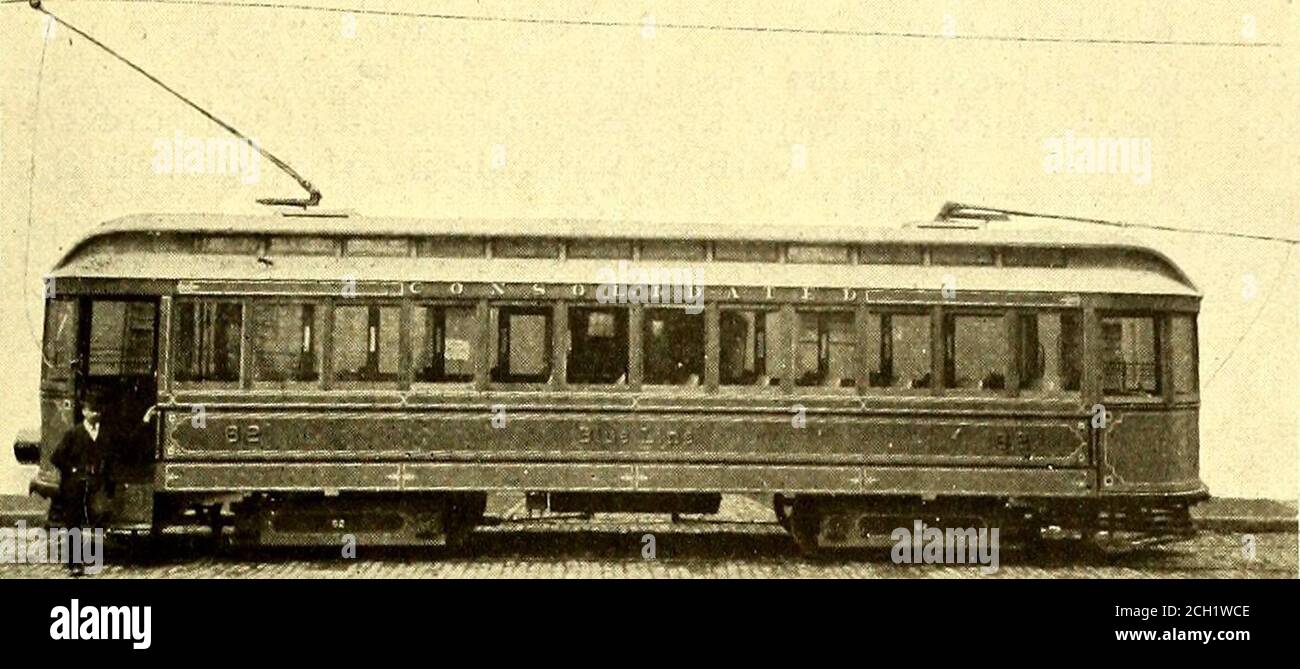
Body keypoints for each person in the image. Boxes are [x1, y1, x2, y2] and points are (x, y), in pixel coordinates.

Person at [49, 394, 156, 576]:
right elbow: (56, 457)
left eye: (98, 411)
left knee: (98, 517)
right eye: (92, 411)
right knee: (74, 522)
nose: (96, 414)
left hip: (97, 483)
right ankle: (75, 563)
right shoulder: (74, 433)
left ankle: (94, 556)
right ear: (84, 412)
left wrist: (145, 421)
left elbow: (128, 442)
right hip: (75, 485)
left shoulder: (106, 433)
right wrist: (73, 470)